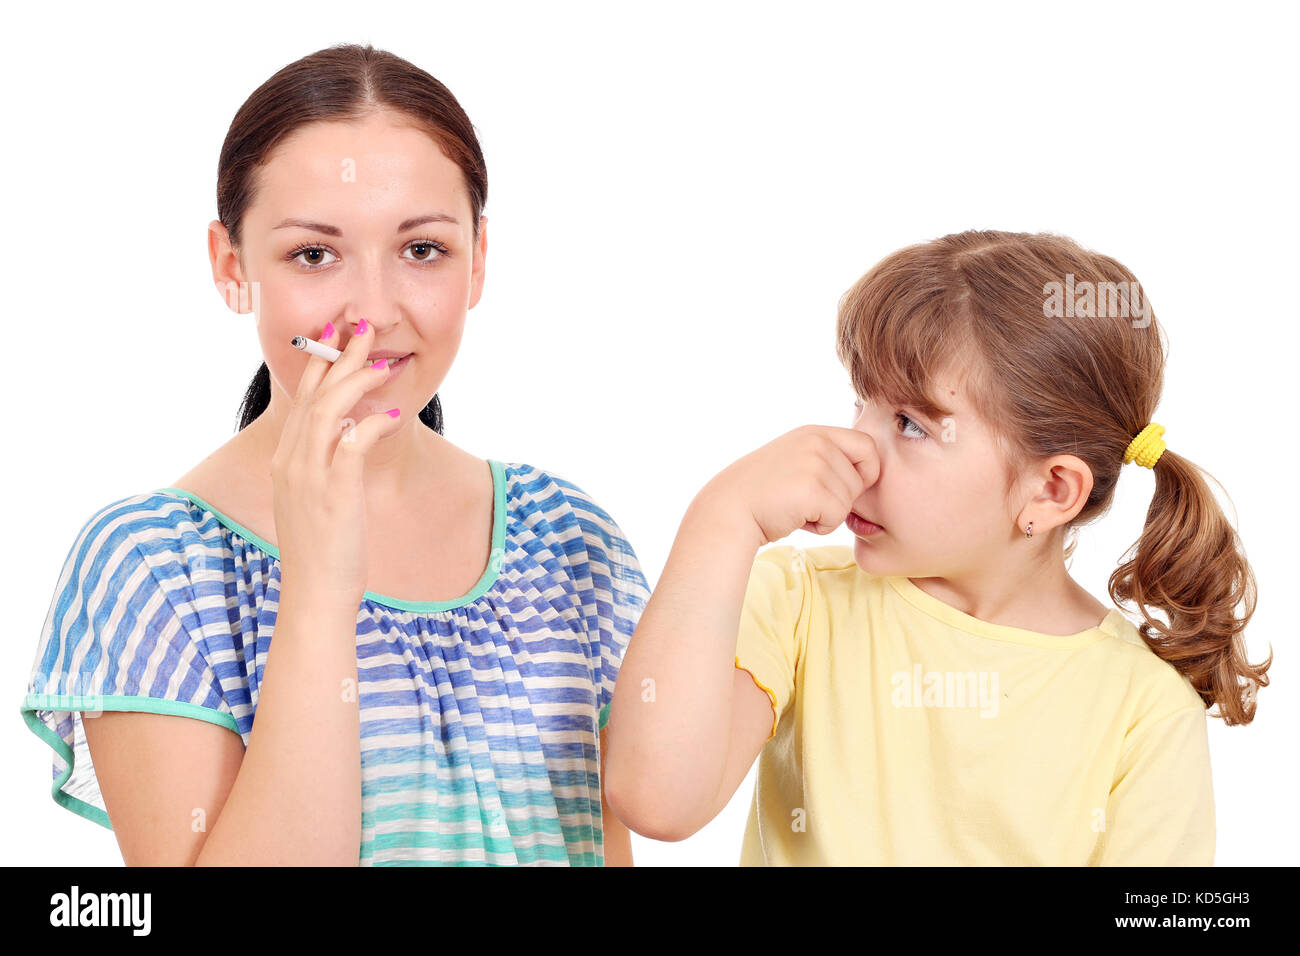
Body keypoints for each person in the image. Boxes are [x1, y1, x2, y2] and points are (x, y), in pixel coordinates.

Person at [19, 42, 649, 867]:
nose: (373, 313)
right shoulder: (151, 565)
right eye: (314, 254)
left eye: (422, 249)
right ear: (230, 264)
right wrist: (317, 592)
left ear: (479, 260)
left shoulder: (569, 540)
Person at [604, 229, 1270, 865]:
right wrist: (722, 520)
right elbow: (657, 801)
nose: (859, 451)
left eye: (910, 424)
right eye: (861, 403)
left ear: (1050, 492)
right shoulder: (802, 600)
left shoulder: (1146, 711)